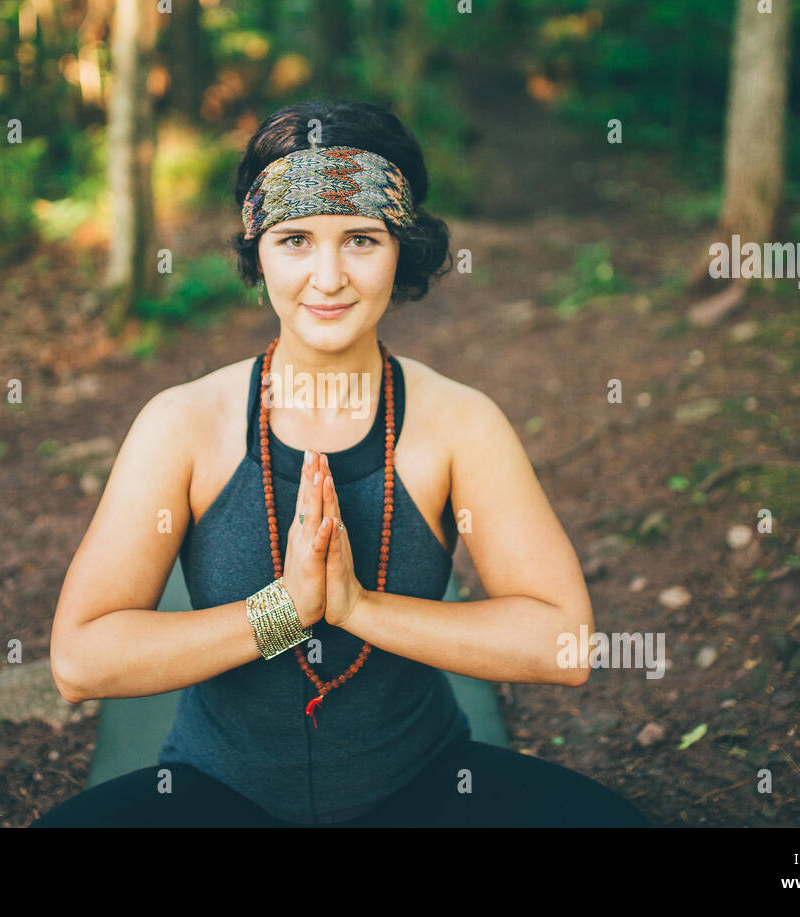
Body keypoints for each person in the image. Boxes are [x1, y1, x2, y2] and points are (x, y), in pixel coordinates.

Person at [32, 101, 652, 828]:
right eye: (295, 239)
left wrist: (359, 608)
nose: (327, 277)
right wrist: (283, 612)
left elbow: (565, 643)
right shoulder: (182, 423)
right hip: (216, 793)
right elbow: (79, 659)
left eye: (361, 238)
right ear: (257, 249)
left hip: (423, 787)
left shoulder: (460, 421)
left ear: (403, 249)